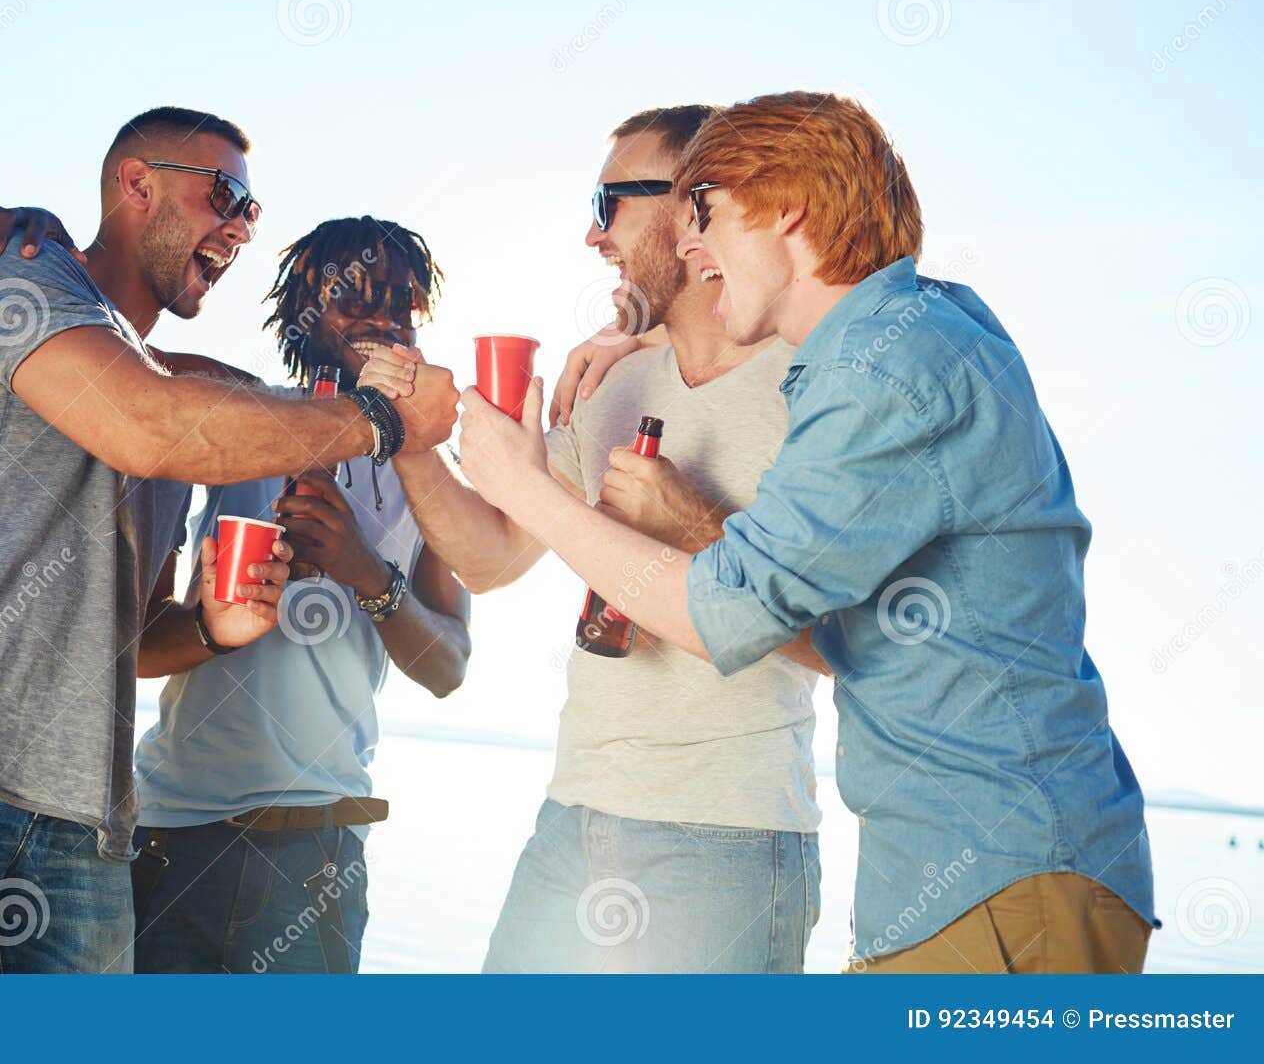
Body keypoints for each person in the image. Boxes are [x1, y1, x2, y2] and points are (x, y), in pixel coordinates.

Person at [445, 91, 1156, 973]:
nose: (691, 246)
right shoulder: (904, 337)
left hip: (1002, 875)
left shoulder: (883, 367)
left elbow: (730, 615)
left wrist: (518, 480)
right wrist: (635, 331)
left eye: (702, 215)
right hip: (965, 871)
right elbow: (799, 600)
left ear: (786, 207)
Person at [0, 106, 459, 974]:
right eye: (226, 194)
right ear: (137, 184)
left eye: (252, 212)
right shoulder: (8, 278)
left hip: (83, 825)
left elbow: (133, 634)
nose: (239, 225)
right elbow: (145, 424)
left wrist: (210, 628)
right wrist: (381, 420)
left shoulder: (190, 401)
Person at [359, 106, 828, 973]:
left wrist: (692, 525)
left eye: (608, 201)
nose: (591, 233)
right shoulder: (614, 382)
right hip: (572, 818)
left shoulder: (808, 389)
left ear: (699, 208)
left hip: (725, 837)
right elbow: (494, 555)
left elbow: (843, 641)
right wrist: (418, 438)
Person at [128, 217, 472, 974]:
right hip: (167, 836)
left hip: (316, 853)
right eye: (357, 300)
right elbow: (141, 645)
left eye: (401, 306)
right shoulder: (234, 431)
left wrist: (364, 571)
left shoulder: (430, 479)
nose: (385, 320)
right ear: (302, 317)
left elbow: (449, 666)